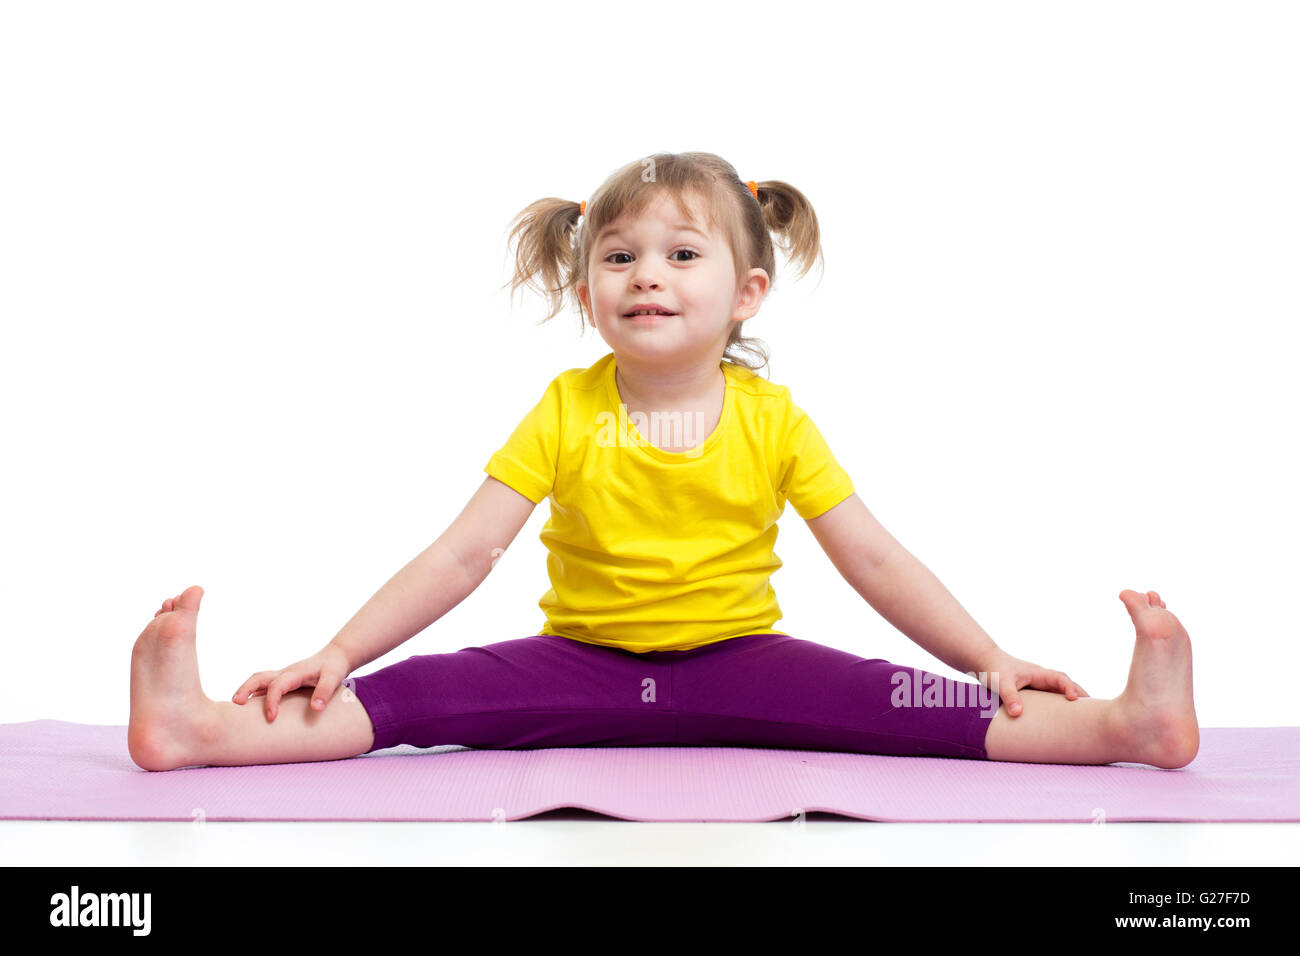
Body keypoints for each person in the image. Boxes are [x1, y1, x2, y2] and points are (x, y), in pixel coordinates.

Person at [127, 152, 1198, 773]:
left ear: (744, 293)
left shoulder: (771, 418)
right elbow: (463, 555)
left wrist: (987, 655)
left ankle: (1126, 722)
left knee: (915, 706)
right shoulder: (567, 407)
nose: (648, 276)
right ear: (587, 285)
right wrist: (339, 645)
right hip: (579, 661)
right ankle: (197, 728)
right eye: (620, 256)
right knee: (413, 697)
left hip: (744, 660)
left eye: (683, 256)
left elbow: (871, 556)